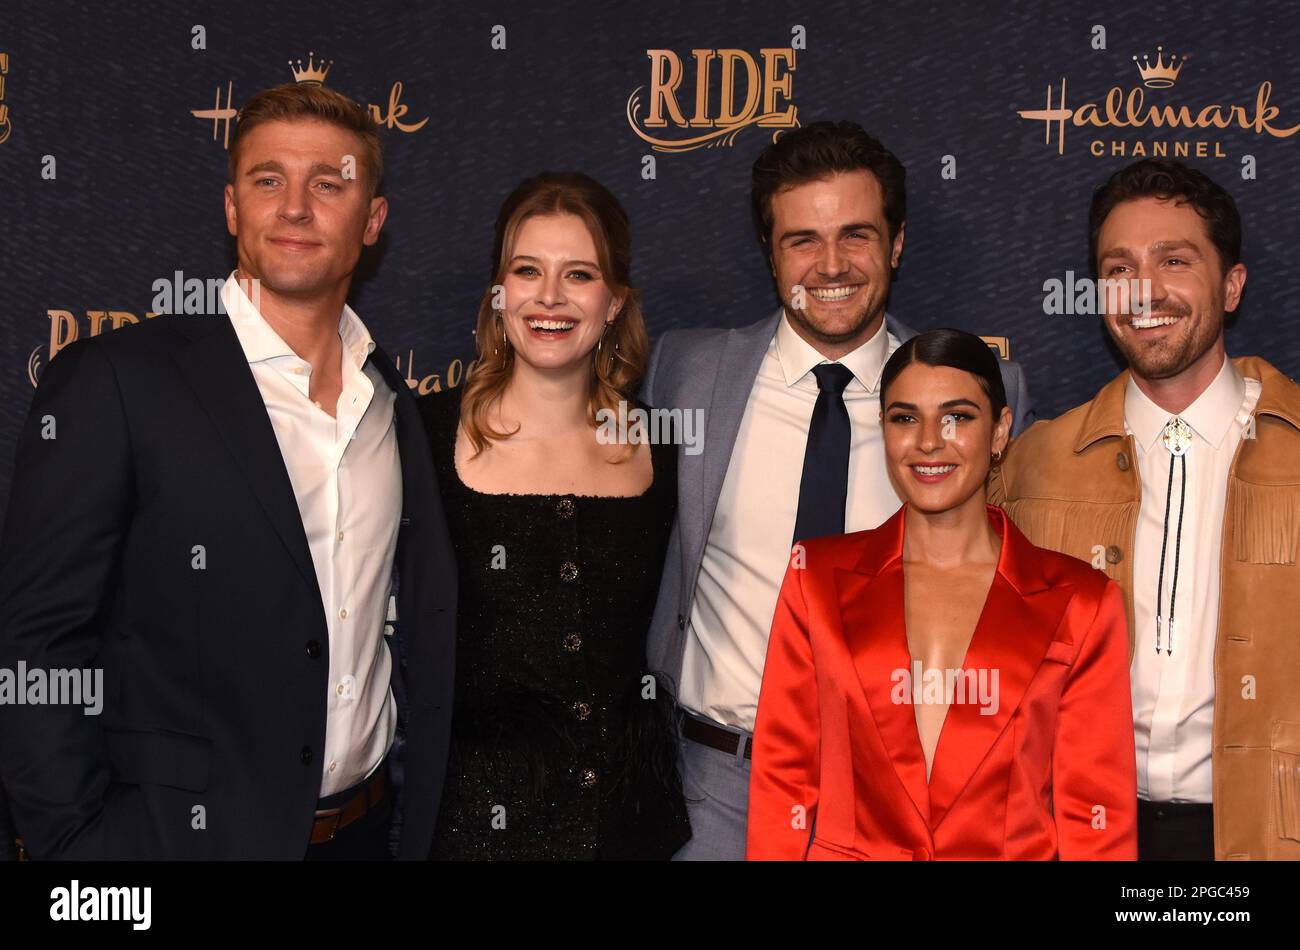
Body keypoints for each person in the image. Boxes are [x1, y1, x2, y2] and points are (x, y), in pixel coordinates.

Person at [0, 83, 456, 859]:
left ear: (373, 220)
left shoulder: (392, 407)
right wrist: (79, 853)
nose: (296, 207)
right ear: (232, 208)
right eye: (267, 180)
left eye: (330, 183)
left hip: (367, 835)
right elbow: (35, 648)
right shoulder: (118, 381)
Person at [640, 120, 1035, 859]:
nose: (831, 265)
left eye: (856, 234)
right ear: (771, 251)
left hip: (897, 795)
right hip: (716, 790)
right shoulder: (688, 373)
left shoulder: (978, 391)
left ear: (897, 242)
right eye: (802, 241)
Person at [990, 159, 1300, 861]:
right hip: (1079, 836)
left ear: (1232, 286)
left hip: (1263, 839)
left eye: (1175, 260)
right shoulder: (1033, 465)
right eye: (1119, 266)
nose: (1145, 290)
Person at [747, 329, 1136, 860]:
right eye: (905, 418)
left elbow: (1095, 818)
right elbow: (784, 782)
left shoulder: (1081, 602)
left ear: (1000, 431)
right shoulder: (816, 578)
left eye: (958, 416)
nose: (929, 441)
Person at [418, 172, 691, 860]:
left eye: (579, 274)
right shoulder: (420, 435)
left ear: (614, 301)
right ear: (499, 293)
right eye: (527, 270)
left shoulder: (663, 445)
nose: (549, 296)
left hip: (631, 829)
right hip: (475, 833)